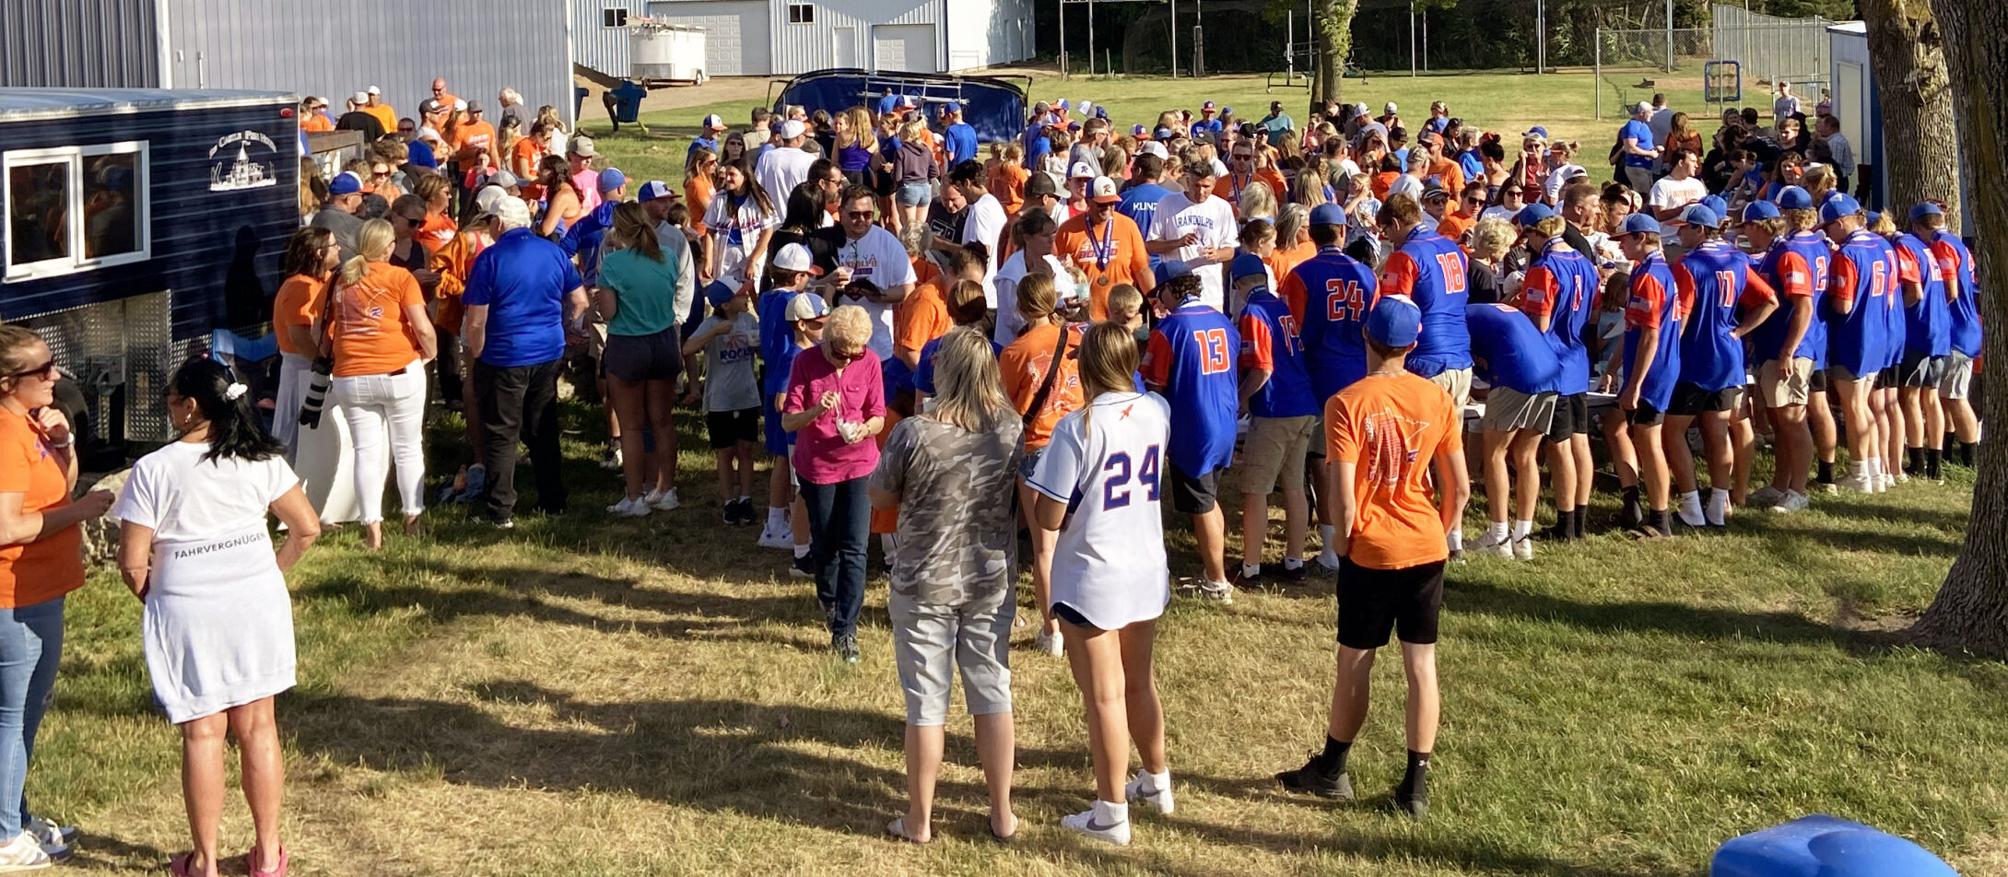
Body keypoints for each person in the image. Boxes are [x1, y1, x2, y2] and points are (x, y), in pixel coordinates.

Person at [112, 358, 319, 877]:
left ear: (190, 407)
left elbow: (133, 561)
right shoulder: (259, 458)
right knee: (259, 726)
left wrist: (155, 599)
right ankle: (268, 855)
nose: (166, 406)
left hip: (187, 604)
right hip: (254, 599)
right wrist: (271, 573)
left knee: (203, 733)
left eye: (170, 398)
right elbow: (307, 528)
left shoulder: (153, 469)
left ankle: (203, 861)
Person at [1274, 295, 1469, 818]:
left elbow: (1342, 493)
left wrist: (1341, 538)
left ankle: (1332, 769)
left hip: (1374, 546)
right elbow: (1461, 487)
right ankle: (1415, 785)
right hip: (1426, 542)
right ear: (1413, 344)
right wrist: (1444, 529)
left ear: (1366, 337)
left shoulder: (1347, 402)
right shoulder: (1436, 400)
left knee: (1355, 662)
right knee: (1420, 664)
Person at [869, 328, 1023, 845]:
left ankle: (921, 819)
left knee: (926, 704)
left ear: (945, 371)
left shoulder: (914, 432)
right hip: (988, 578)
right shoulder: (1010, 426)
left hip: (923, 580)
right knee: (992, 693)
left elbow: (880, 495)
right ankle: (1002, 812)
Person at [1028, 322, 1174, 846]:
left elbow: (1047, 515)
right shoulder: (1157, 411)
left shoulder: (1077, 427)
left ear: (1086, 365)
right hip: (1145, 566)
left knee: (1106, 700)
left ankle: (1111, 811)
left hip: (1095, 575)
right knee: (1141, 682)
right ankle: (1156, 781)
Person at [0, 327, 111, 870]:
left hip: (41, 588)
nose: (56, 376)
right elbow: (6, 526)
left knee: (26, 712)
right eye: (42, 370)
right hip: (13, 595)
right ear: (6, 383)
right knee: (12, 716)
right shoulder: (3, 434)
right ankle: (3, 836)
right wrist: (82, 513)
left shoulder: (27, 423)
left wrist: (64, 444)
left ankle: (14, 817)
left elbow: (60, 487)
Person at [464, 195, 588, 526]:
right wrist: (565, 328)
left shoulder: (490, 259)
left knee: (502, 431)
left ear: (498, 225)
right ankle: (553, 500)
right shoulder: (553, 253)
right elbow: (579, 300)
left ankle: (500, 508)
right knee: (543, 426)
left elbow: (476, 319)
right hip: (547, 351)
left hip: (504, 354)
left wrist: (477, 354)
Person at [318, 219, 436, 550]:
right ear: (388, 248)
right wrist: (429, 354)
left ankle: (373, 530)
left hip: (350, 376)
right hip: (397, 370)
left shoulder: (341, 278)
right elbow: (423, 327)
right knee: (408, 447)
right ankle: (412, 520)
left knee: (366, 453)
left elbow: (323, 330)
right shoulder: (401, 277)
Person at [782, 305, 887, 663]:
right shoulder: (805, 363)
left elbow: (878, 415)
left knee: (856, 547)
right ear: (826, 343)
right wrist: (815, 412)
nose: (845, 362)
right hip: (818, 467)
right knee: (826, 544)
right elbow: (787, 423)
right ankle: (829, 600)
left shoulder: (869, 361)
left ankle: (846, 629)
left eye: (852, 355)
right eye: (840, 355)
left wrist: (865, 429)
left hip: (860, 464)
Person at [1663, 204, 1778, 527]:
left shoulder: (1689, 265)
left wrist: (1665, 354)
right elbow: (1770, 299)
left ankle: (1690, 504)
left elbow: (1681, 318)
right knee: (1717, 430)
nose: (1679, 233)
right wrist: (1739, 331)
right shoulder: (1737, 259)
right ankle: (1718, 502)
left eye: (1684, 228)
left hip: (1696, 358)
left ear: (1700, 230)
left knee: (1673, 431)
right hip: (1728, 355)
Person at [1000, 275, 1087, 657]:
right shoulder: (1078, 339)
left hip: (1037, 448)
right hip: (1081, 443)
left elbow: (1005, 406)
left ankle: (1052, 630)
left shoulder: (1015, 352)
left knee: (1044, 547)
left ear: (1020, 306)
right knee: (1082, 537)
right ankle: (1085, 615)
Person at [1143, 271, 1240, 602]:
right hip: (1224, 420)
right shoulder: (1223, 321)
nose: (1159, 299)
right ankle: (1215, 573)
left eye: (1162, 292)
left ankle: (1217, 581)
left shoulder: (1169, 329)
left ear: (1172, 289)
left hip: (1193, 427)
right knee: (1209, 500)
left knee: (1203, 505)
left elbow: (1154, 385)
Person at [598, 201, 693, 517]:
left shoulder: (612, 265)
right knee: (663, 420)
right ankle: (666, 489)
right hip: (664, 340)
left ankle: (634, 496)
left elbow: (609, 312)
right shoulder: (666, 257)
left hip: (628, 343)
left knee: (632, 426)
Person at [1513, 204, 1602, 540]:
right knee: (1581, 442)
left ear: (1538, 233)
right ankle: (1578, 518)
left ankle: (1565, 524)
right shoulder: (1586, 263)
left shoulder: (1545, 268)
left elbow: (1540, 323)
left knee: (1558, 445)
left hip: (1554, 363)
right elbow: (1593, 314)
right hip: (1578, 359)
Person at [1234, 255, 1319, 586]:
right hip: (1303, 402)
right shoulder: (1280, 307)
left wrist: (1241, 399)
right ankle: (1294, 561)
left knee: (1256, 489)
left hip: (1277, 409)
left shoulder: (1253, 312)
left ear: (1239, 284)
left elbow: (1263, 367)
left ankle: (1251, 567)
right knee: (1295, 487)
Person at [1614, 213, 1689, 537]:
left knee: (1649, 439)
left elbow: (1650, 335)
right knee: (1617, 427)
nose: (1622, 246)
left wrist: (1635, 384)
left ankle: (1660, 519)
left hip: (1653, 371)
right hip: (1654, 367)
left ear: (1642, 238)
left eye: (1626, 240)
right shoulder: (1652, 270)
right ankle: (1635, 503)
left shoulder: (1650, 276)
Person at [1465, 301, 1560, 559]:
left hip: (1516, 373)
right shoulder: (1488, 312)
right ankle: (1522, 537)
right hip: (1549, 374)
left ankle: (1498, 536)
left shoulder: (1461, 320)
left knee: (1495, 453)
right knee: (1526, 456)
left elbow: (1467, 363)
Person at [1742, 200, 1819, 512]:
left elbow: (1804, 305)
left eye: (1746, 227)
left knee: (1792, 419)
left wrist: (1789, 350)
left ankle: (1798, 490)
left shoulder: (1788, 256)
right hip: (1770, 349)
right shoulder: (1772, 255)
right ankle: (1780, 484)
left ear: (1759, 226)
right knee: (1778, 419)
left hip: (1789, 351)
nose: (1744, 234)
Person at [1822, 194, 1893, 493]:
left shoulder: (1847, 255)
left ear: (1840, 223)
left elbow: (1844, 305)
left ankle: (1860, 471)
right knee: (1864, 405)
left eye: (1828, 226)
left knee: (1854, 408)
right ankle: (1876, 470)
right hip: (1879, 332)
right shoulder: (1882, 245)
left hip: (1854, 337)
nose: (1825, 232)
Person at [1377, 194, 1473, 405]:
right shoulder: (1454, 248)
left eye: (1386, 231)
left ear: (1395, 223)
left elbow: (1396, 314)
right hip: (1461, 358)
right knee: (1451, 437)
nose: (1388, 238)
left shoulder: (1404, 256)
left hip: (1425, 361)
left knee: (1419, 437)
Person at [755, 246, 819, 558]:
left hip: (771, 380)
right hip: (786, 383)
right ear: (797, 276)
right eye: (807, 276)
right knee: (787, 459)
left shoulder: (767, 297)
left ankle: (779, 520)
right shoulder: (792, 303)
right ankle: (777, 522)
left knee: (782, 456)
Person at [684, 282, 762, 524]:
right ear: (726, 304)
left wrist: (758, 346)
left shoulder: (748, 321)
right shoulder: (711, 324)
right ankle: (729, 501)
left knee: (746, 449)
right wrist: (714, 334)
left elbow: (760, 349)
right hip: (720, 399)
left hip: (747, 395)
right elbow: (687, 348)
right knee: (726, 451)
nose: (747, 298)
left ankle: (746, 498)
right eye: (741, 295)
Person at [824, 185, 917, 359]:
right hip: (836, 343)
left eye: (867, 215)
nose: (861, 220)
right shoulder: (824, 241)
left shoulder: (887, 242)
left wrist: (878, 295)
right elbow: (809, 285)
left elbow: (907, 288)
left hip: (877, 346)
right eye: (854, 214)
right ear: (841, 212)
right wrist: (829, 284)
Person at [1921, 202, 1982, 469]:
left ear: (1919, 226)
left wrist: (1936, 309)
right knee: (1945, 396)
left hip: (1958, 329)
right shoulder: (1957, 242)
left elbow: (1951, 289)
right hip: (1962, 327)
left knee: (1956, 397)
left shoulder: (1943, 245)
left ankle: (1970, 457)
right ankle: (1945, 451)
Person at [271, 228, 340, 455]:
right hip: (302, 366)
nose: (339, 248)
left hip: (316, 364)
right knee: (291, 431)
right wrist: (320, 364)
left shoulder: (326, 280)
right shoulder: (300, 286)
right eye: (334, 245)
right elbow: (299, 335)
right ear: (320, 253)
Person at [1148, 147, 1239, 313]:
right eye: (1196, 186)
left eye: (1206, 186)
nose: (1201, 191)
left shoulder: (1222, 208)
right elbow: (1151, 245)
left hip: (1210, 292)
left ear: (1214, 184)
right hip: (1174, 292)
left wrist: (1217, 254)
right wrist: (1178, 243)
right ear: (1188, 181)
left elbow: (1230, 250)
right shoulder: (1168, 203)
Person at [1057, 177, 1154, 321]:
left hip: (1123, 317)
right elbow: (1057, 273)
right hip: (1085, 318)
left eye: (1111, 203)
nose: (1108, 208)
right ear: (1088, 201)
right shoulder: (1068, 230)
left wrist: (1154, 300)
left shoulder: (1128, 226)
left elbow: (1142, 270)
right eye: (1102, 204)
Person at [706, 158, 779, 296]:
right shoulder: (720, 198)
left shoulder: (759, 199)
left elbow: (767, 232)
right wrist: (708, 260)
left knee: (752, 294)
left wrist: (753, 260)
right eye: (726, 174)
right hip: (725, 254)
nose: (727, 178)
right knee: (725, 294)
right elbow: (709, 232)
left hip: (751, 253)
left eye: (732, 175)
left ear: (745, 176)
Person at [309, 172, 366, 260]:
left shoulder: (317, 217)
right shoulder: (354, 224)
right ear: (349, 199)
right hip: (348, 271)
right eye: (360, 195)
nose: (362, 199)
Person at [1618, 102, 1660, 195]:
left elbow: (1643, 144)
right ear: (1641, 113)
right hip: (1636, 167)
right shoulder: (1632, 126)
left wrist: (1655, 149)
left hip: (1646, 166)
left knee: (1649, 193)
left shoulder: (1643, 125)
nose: (1652, 115)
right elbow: (1630, 148)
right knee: (1644, 195)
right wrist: (1650, 154)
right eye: (1650, 112)